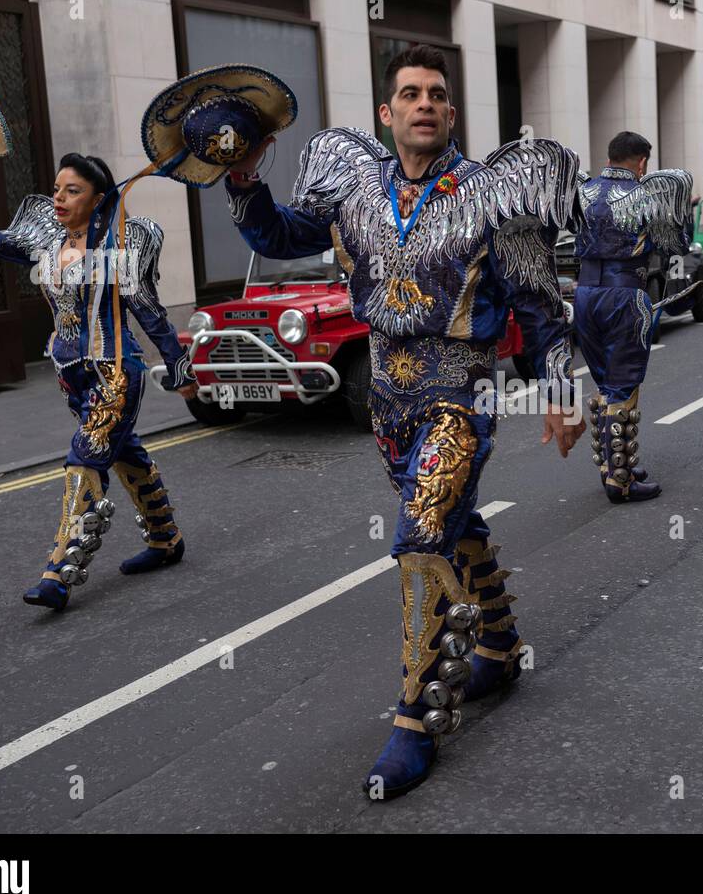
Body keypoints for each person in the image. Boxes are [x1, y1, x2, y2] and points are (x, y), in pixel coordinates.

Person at [221, 44, 583, 798]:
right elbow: (284, 236)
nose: (425, 103)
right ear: (387, 114)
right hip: (386, 394)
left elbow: (538, 304)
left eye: (438, 94)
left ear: (451, 112)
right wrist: (244, 177)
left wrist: (560, 388)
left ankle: (415, 719)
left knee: (421, 530)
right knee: (452, 518)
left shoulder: (494, 193)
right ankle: (502, 643)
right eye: (411, 93)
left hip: (461, 388)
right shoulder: (355, 190)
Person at [0, 153, 197, 610]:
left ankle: (58, 575)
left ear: (98, 199)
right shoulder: (48, 243)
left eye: (73, 191)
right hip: (72, 374)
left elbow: (149, 313)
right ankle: (166, 539)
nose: (59, 199)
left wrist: (180, 368)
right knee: (125, 453)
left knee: (84, 459)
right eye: (56, 189)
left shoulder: (119, 246)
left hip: (115, 372)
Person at [571, 131, 693, 502]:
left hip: (585, 294)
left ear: (609, 157)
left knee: (605, 383)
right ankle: (620, 482)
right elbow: (677, 244)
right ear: (641, 162)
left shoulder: (580, 192)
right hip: (625, 294)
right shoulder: (646, 195)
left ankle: (613, 464)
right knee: (624, 385)